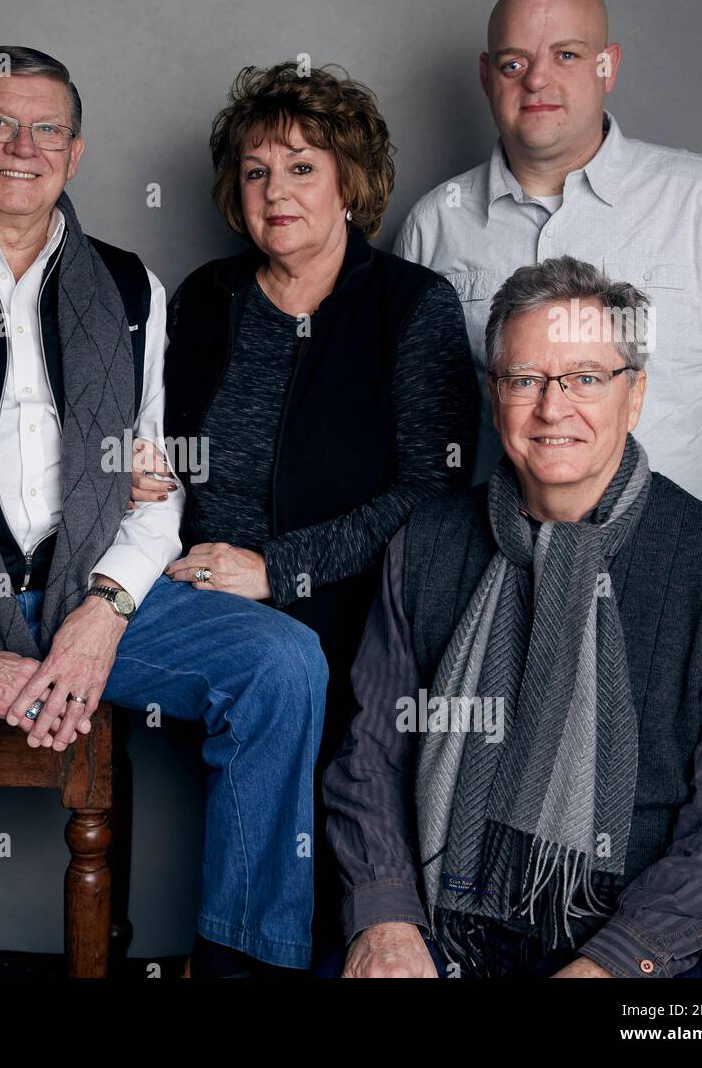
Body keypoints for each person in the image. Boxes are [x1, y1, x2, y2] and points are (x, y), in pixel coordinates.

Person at [0, 45, 327, 978]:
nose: (22, 146)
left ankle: (245, 966)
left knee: (282, 663)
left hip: (83, 590)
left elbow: (153, 489)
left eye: (48, 128)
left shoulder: (130, 288)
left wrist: (103, 613)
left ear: (76, 153)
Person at [325, 256, 702, 979]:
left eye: (585, 377)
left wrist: (613, 963)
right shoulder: (425, 544)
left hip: (649, 946)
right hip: (442, 930)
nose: (553, 408)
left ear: (634, 395)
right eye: (526, 380)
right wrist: (385, 914)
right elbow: (370, 756)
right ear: (495, 398)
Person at [133, 61, 477, 969]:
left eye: (301, 167)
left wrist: (278, 568)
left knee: (332, 776)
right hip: (200, 592)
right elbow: (163, 447)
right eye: (255, 171)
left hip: (360, 602)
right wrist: (144, 482)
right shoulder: (206, 300)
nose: (274, 192)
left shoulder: (411, 307)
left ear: (351, 185)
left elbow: (431, 491)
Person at [393, 0, 702, 509]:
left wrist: (680, 447)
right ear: (486, 75)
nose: (536, 80)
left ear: (608, 65)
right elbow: (415, 405)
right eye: (514, 62)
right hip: (488, 561)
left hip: (664, 561)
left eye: (566, 55)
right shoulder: (435, 225)